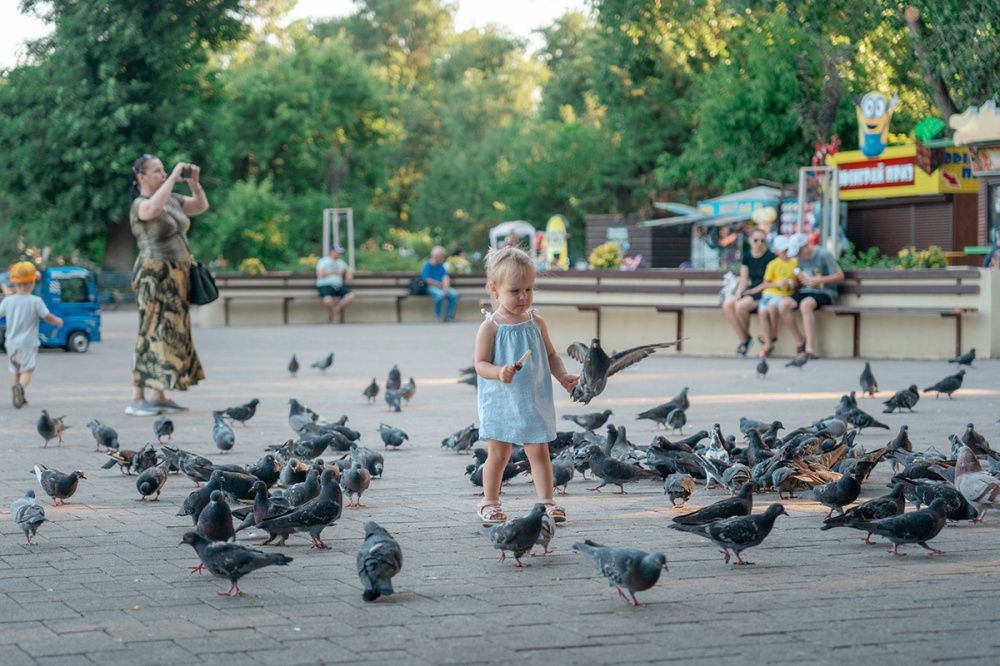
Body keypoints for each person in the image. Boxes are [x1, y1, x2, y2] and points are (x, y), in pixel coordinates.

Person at [474, 247, 579, 524]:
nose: (523, 297)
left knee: (539, 451)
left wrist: (563, 377)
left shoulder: (536, 322)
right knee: (499, 453)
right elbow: (480, 364)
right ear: (495, 290)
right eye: (515, 291)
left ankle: (547, 502)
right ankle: (490, 501)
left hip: (534, 399)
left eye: (529, 289)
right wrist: (499, 372)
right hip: (501, 400)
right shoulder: (491, 326)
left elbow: (552, 355)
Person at [126, 153, 209, 416]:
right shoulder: (140, 203)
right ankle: (137, 397)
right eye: (157, 171)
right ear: (141, 177)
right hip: (155, 274)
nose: (163, 175)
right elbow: (151, 210)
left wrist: (194, 183)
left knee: (169, 334)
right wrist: (173, 177)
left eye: (164, 171)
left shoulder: (170, 199)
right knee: (151, 331)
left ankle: (158, 394)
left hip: (177, 276)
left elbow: (199, 206)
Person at [0, 262, 63, 408]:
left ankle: (19, 396)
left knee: (16, 371)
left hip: (10, 344)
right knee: (27, 370)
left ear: (14, 283)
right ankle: (20, 389)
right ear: (32, 283)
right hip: (28, 344)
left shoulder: (8, 301)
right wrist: (57, 321)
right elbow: (47, 317)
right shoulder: (36, 301)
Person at [778, 233, 845, 359]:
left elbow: (840, 275)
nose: (797, 256)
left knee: (805, 304)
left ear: (806, 246)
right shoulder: (798, 259)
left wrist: (819, 279)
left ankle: (810, 349)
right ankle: (799, 341)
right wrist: (796, 282)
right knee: (783, 304)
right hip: (805, 291)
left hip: (825, 292)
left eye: (798, 252)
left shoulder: (823, 255)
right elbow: (800, 276)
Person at [722, 227, 775, 356]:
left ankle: (745, 342)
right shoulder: (747, 257)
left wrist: (748, 293)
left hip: (764, 291)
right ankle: (744, 338)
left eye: (762, 240)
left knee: (740, 306)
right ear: (750, 241)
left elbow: (768, 282)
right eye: (756, 240)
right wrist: (740, 291)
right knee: (728, 303)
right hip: (751, 290)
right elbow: (744, 279)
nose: (759, 243)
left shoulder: (770, 256)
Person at [756, 235, 798, 357]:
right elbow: (766, 283)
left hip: (783, 295)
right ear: (777, 251)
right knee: (763, 311)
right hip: (769, 293)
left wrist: (793, 284)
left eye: (787, 249)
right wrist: (778, 283)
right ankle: (768, 342)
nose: (786, 252)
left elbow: (798, 281)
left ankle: (772, 335)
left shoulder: (794, 262)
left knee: (772, 306)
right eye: (783, 250)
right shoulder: (773, 264)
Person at [315, 245, 355, 323]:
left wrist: (348, 273)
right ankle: (333, 315)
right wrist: (334, 272)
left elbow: (348, 269)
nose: (340, 254)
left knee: (351, 295)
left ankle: (335, 310)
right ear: (332, 252)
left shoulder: (340, 262)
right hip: (325, 285)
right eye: (338, 252)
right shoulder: (323, 261)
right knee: (327, 300)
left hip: (338, 286)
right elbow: (320, 274)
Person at [421, 246, 459, 321]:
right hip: (431, 287)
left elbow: (445, 277)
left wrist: (445, 288)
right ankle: (437, 316)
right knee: (439, 295)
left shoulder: (440, 265)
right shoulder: (427, 265)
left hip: (442, 286)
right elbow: (427, 280)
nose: (443, 257)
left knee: (454, 294)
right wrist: (440, 284)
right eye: (442, 255)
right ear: (436, 256)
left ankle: (449, 316)